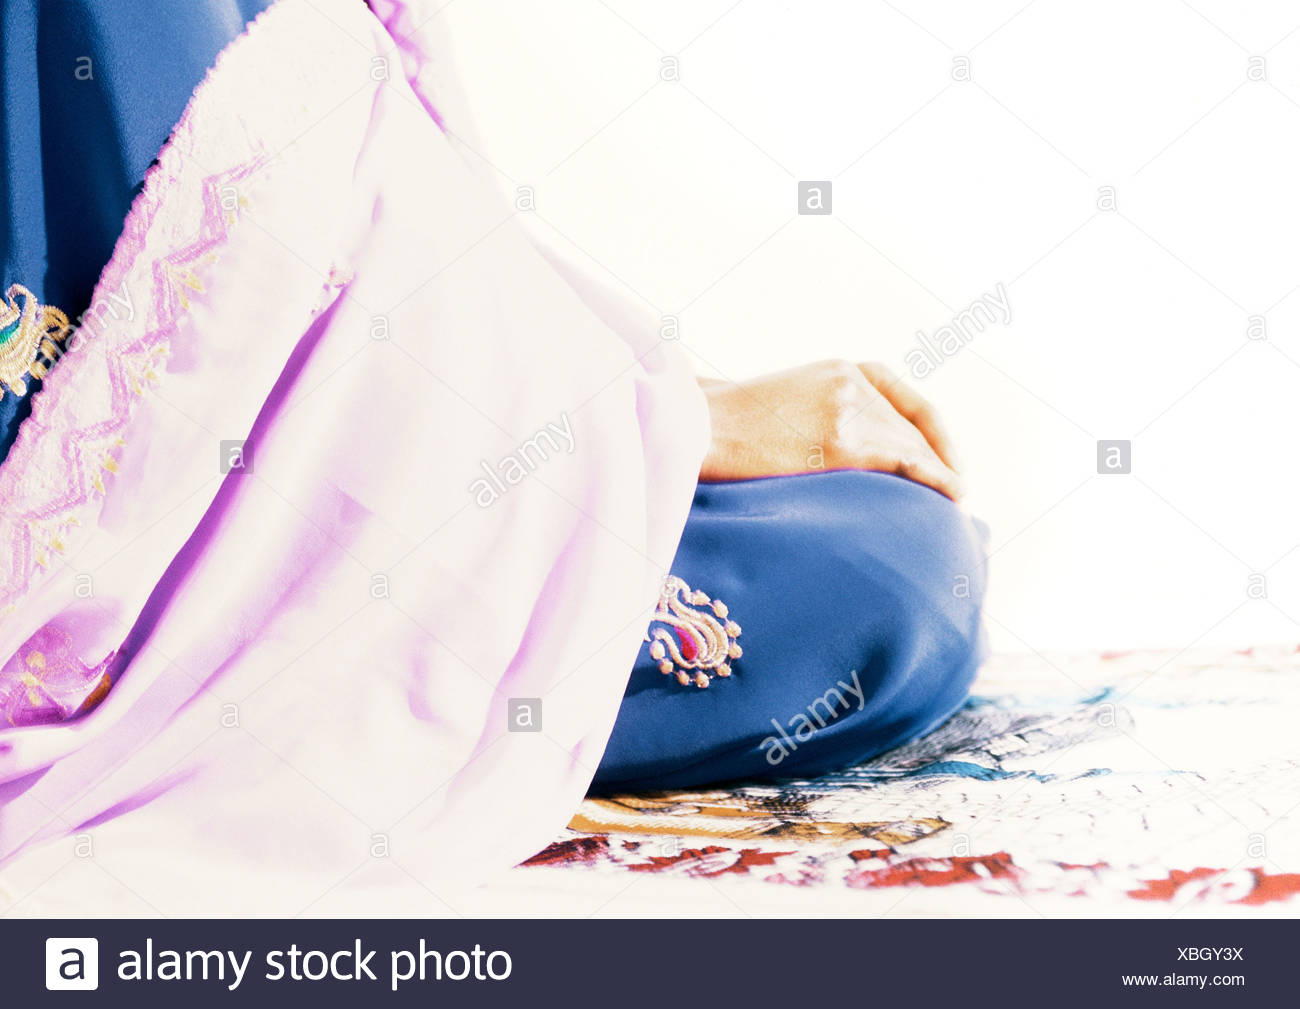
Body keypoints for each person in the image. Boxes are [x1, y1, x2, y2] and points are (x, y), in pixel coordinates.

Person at [0, 0, 985, 908]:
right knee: (886, 582)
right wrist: (634, 409)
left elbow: (347, 176)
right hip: (104, 555)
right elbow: (194, 188)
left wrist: (635, 405)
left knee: (885, 567)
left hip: (340, 453)